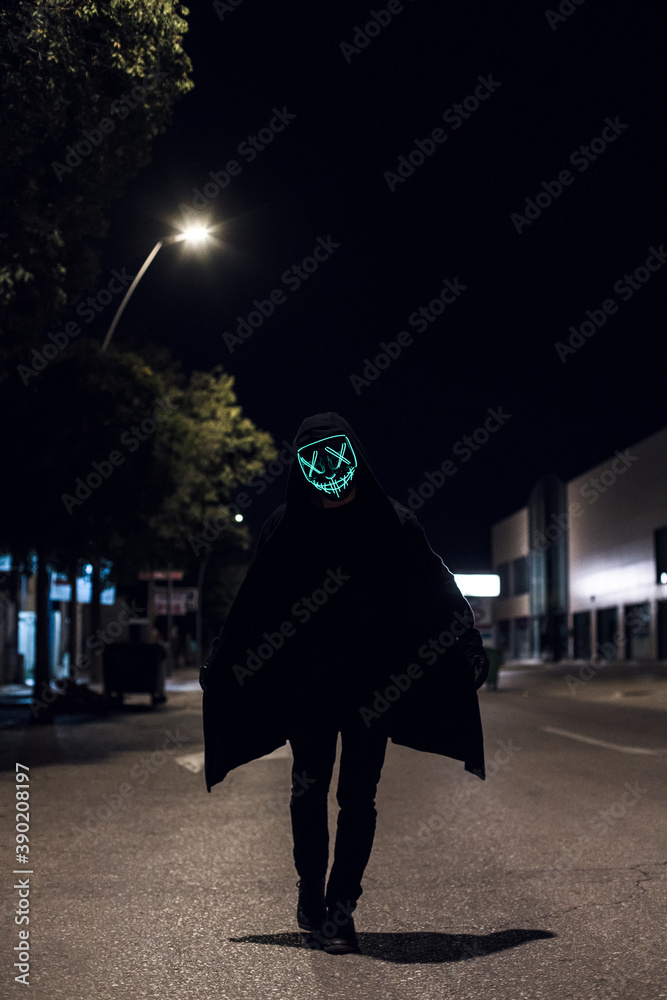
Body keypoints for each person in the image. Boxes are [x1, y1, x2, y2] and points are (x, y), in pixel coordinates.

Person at [200, 412, 489, 955]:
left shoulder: (392, 523)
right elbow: (253, 605)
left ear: (354, 453)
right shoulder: (285, 529)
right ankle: (311, 895)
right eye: (315, 457)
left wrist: (467, 645)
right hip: (306, 691)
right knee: (307, 793)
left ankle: (340, 909)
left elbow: (436, 589)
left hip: (373, 690)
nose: (329, 467)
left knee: (358, 797)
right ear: (302, 467)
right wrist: (224, 656)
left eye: (337, 452)